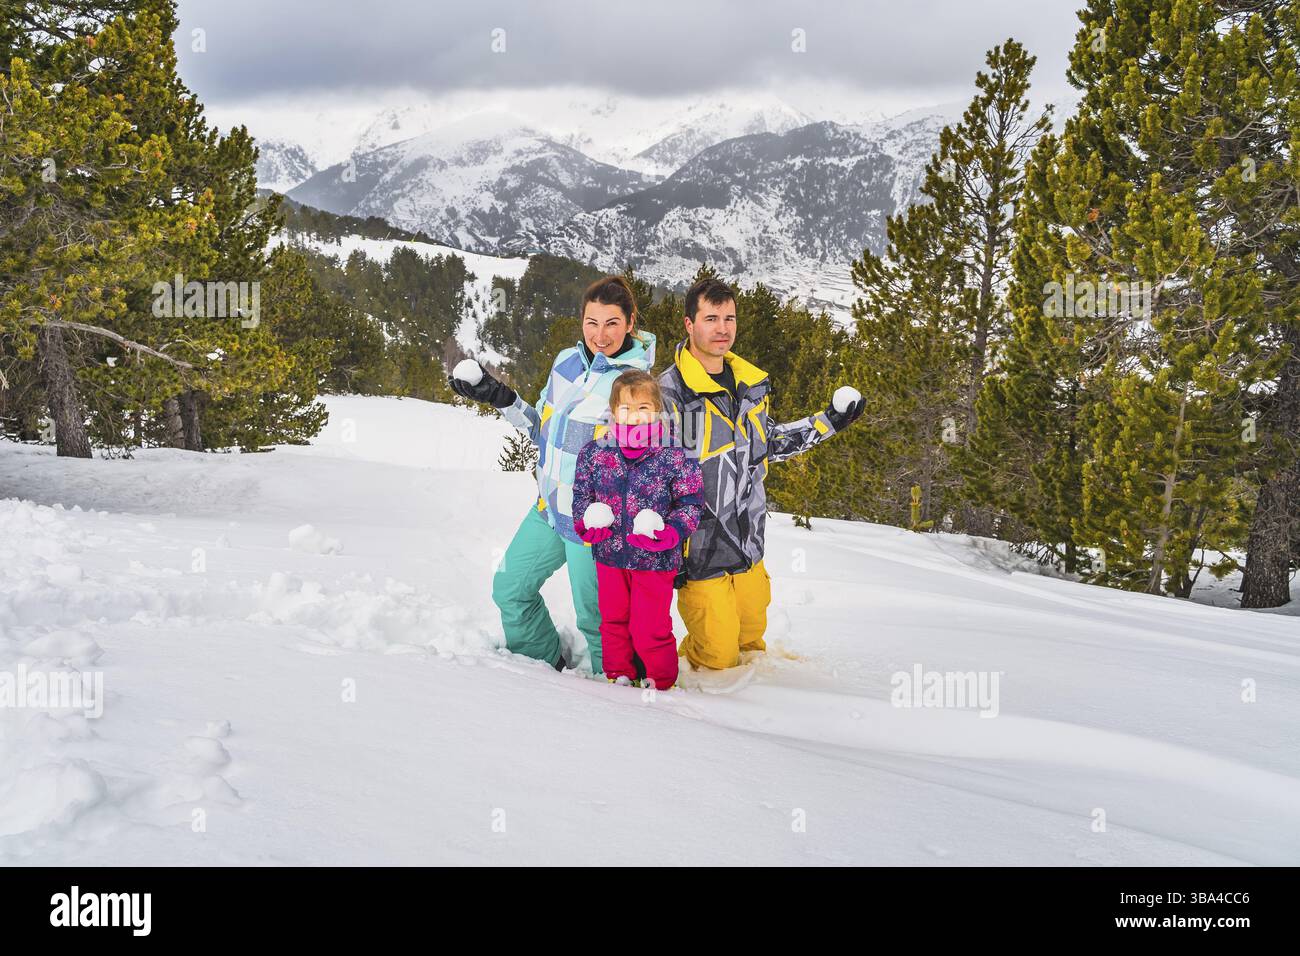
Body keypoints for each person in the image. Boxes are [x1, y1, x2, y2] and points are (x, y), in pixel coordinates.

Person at [448, 276, 656, 674]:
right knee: (510, 590)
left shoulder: (635, 384)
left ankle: (619, 701)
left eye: (612, 323)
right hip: (548, 508)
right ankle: (541, 674)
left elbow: (646, 464)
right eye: (592, 322)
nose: (600, 334)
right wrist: (502, 398)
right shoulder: (567, 362)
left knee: (598, 623)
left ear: (631, 323)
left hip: (595, 524)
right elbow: (541, 430)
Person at [658, 276, 865, 671]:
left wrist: (830, 423)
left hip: (748, 544)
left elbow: (767, 443)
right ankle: (684, 711)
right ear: (689, 324)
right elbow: (651, 472)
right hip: (699, 551)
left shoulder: (751, 385)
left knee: (751, 645)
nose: (722, 328)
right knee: (716, 658)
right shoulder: (670, 394)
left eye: (730, 318)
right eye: (711, 318)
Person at [571, 370, 704, 690]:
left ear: (657, 411)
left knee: (650, 626)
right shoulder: (595, 453)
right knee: (614, 622)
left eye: (643, 408)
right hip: (610, 558)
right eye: (626, 409)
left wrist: (672, 532)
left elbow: (691, 502)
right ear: (613, 411)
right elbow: (582, 496)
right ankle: (619, 676)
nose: (634, 417)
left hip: (654, 561)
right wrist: (585, 525)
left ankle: (661, 682)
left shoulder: (675, 454)